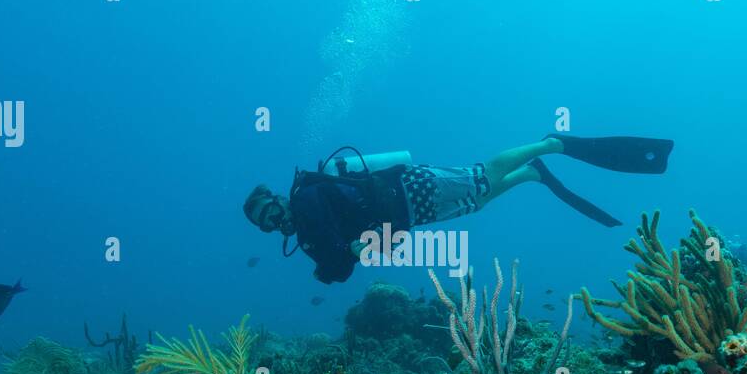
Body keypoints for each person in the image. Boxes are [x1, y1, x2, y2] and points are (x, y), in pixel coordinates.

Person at [244, 134, 674, 283]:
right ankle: (532, 173)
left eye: (271, 210)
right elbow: (338, 268)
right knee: (478, 201)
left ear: (278, 198)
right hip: (409, 216)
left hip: (405, 189)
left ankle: (551, 144)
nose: (275, 220)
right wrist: (343, 255)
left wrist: (346, 253)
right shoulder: (305, 235)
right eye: (268, 224)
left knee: (482, 175)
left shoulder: (306, 199)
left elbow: (338, 259)